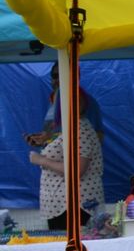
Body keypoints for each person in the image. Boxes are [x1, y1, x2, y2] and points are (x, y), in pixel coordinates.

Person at [28, 90, 105, 230]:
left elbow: (78, 170)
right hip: (65, 206)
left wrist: (41, 160)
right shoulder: (71, 127)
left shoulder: (79, 128)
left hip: (73, 206)